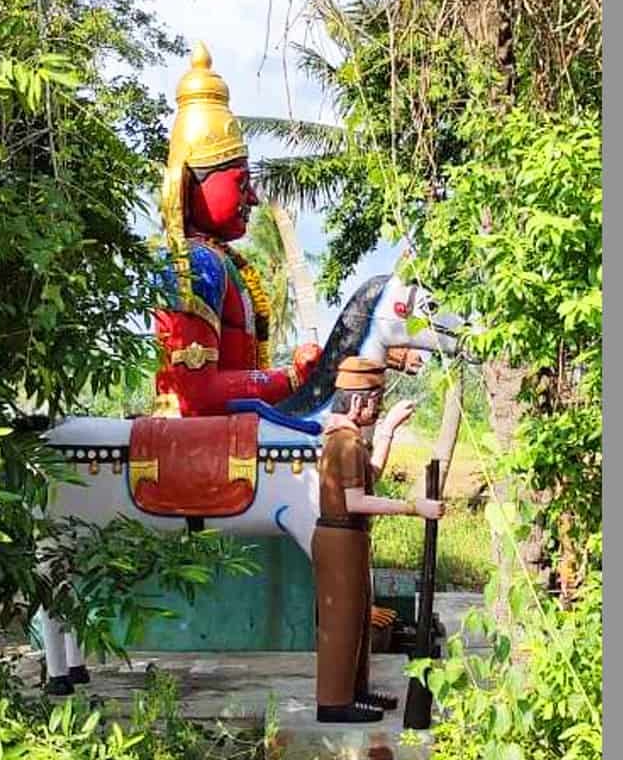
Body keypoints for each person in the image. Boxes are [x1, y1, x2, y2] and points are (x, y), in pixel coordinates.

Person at [151, 42, 322, 417]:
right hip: (195, 441)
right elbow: (195, 396)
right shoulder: (194, 262)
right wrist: (291, 377)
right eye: (241, 183)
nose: (254, 198)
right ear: (191, 183)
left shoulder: (220, 259)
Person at [313, 357, 447, 723]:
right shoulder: (345, 444)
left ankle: (354, 692)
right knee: (342, 621)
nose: (379, 408)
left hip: (351, 539)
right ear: (357, 402)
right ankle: (335, 701)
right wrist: (413, 507)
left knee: (358, 618)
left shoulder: (349, 441)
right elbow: (357, 501)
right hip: (340, 538)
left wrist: (387, 430)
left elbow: (370, 474)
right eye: (377, 402)